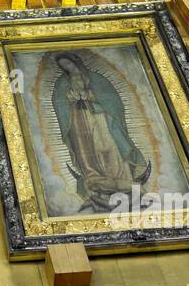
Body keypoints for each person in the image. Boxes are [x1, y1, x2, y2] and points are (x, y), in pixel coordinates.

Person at [51, 52, 151, 212]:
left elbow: (112, 100)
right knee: (88, 151)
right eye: (64, 66)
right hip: (79, 122)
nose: (68, 68)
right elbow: (60, 104)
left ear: (75, 61)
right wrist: (71, 99)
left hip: (102, 118)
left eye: (68, 64)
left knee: (110, 146)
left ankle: (122, 178)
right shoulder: (62, 83)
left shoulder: (97, 79)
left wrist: (92, 97)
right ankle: (97, 179)